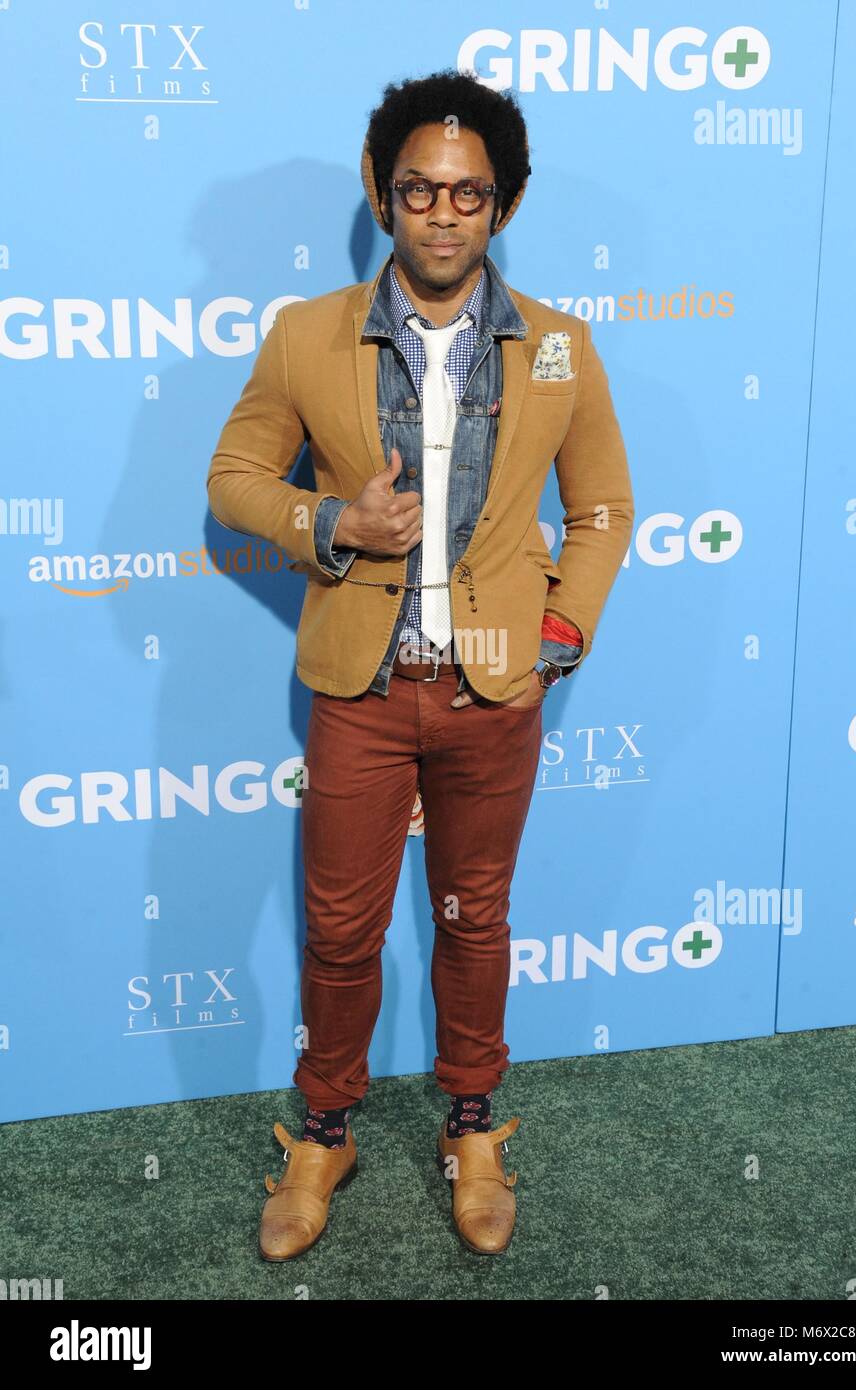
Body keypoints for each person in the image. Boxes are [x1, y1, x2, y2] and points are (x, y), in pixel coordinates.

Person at [206, 68, 634, 1260]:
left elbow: (602, 507)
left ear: (503, 205)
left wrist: (562, 632)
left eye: (469, 194)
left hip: (495, 692)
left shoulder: (556, 345)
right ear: (382, 193)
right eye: (419, 190)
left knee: (474, 917)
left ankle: (472, 1128)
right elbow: (234, 478)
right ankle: (325, 1130)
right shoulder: (306, 335)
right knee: (339, 926)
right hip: (362, 688)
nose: (443, 214)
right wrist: (332, 524)